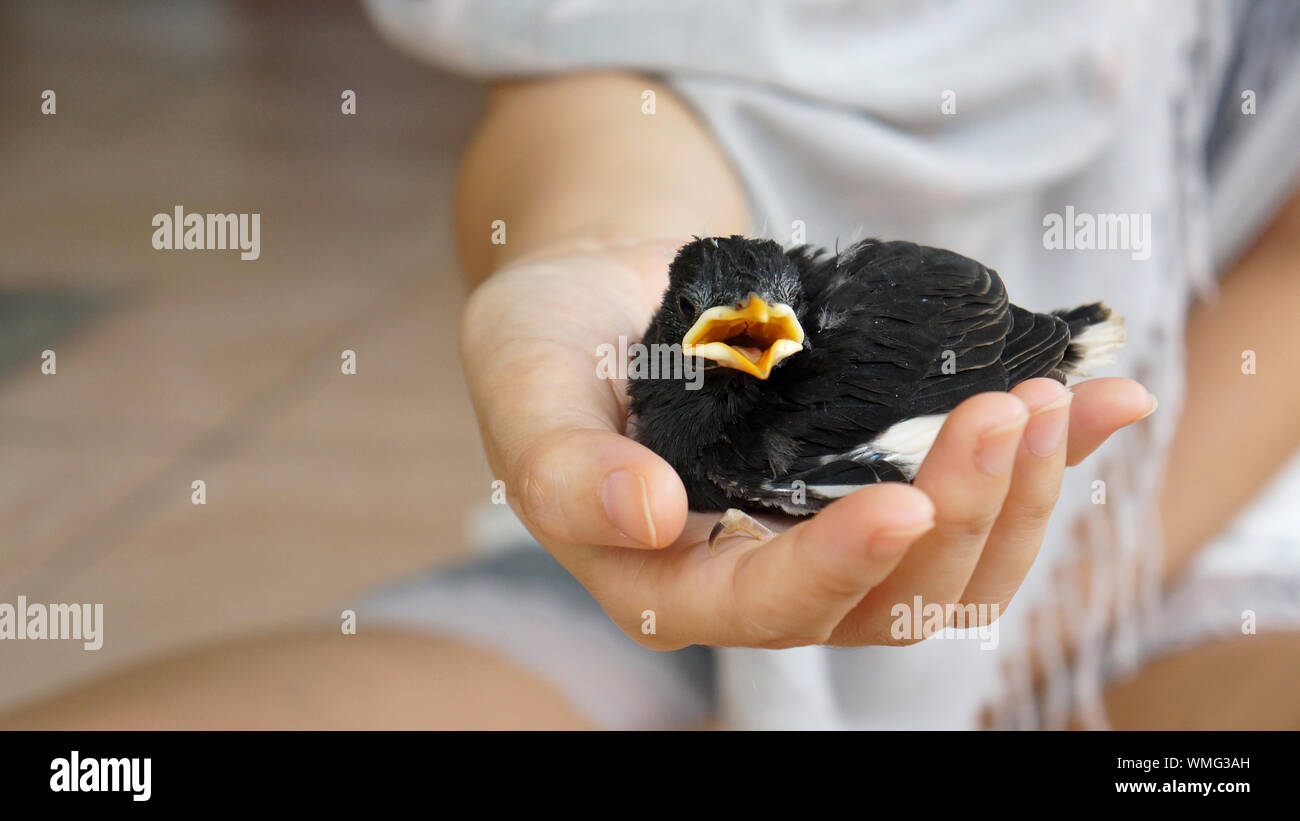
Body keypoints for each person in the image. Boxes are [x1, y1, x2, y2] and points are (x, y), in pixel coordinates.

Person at [5, 0, 1298, 730]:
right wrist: (592, 244)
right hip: (695, 569)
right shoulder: (701, 411)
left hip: (1204, 532)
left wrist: (1005, 657)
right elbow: (604, 72)